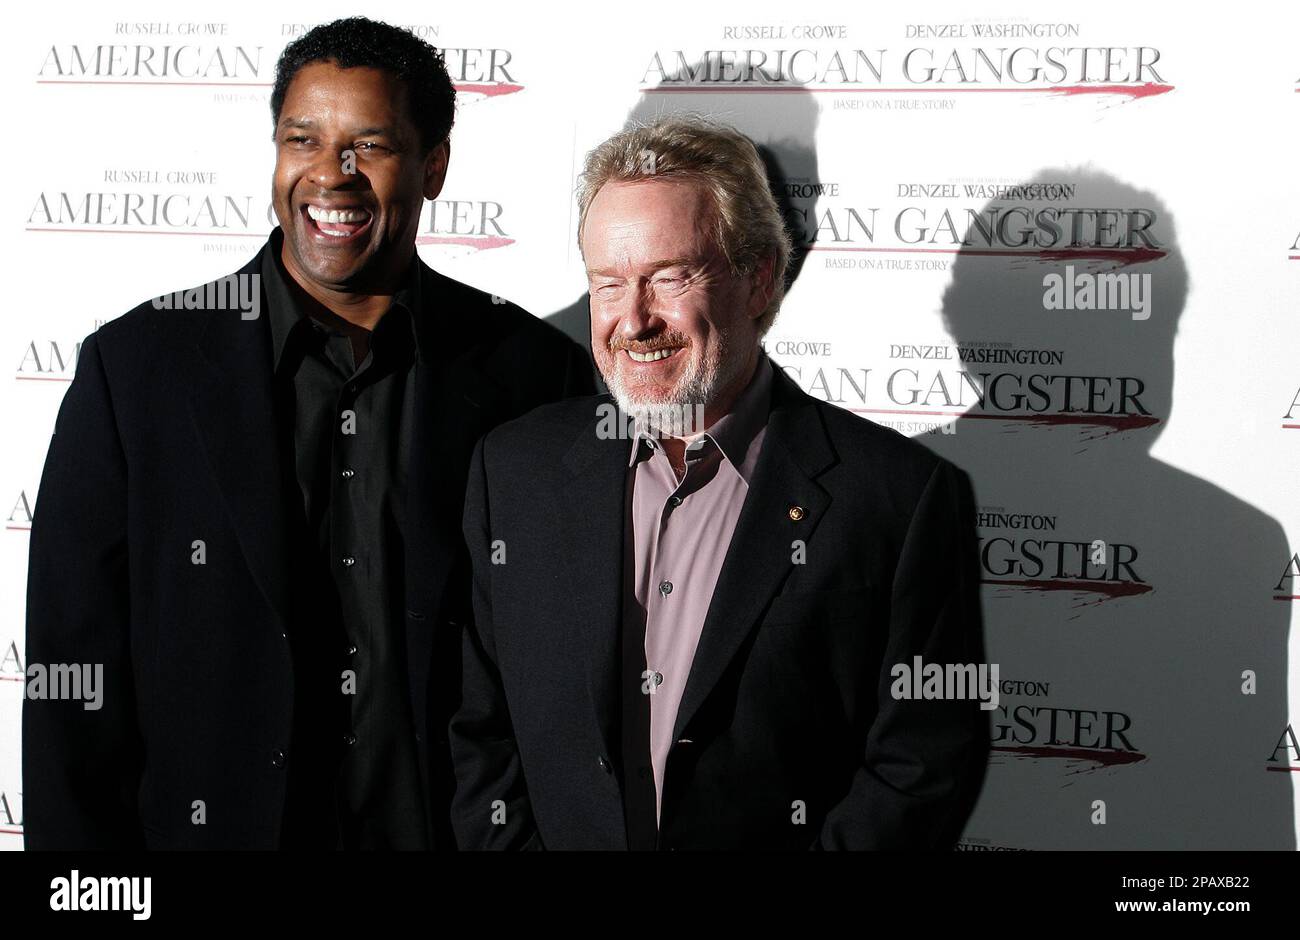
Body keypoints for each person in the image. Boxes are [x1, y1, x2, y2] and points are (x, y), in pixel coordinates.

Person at [23, 16, 592, 851]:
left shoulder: (533, 375)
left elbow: (570, 670)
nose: (333, 174)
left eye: (370, 144)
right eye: (304, 139)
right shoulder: (139, 371)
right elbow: (76, 686)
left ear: (434, 166)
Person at [450, 114, 989, 850]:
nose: (632, 320)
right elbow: (481, 732)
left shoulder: (896, 497)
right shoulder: (512, 472)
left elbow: (919, 767)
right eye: (609, 283)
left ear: (759, 276)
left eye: (670, 277)